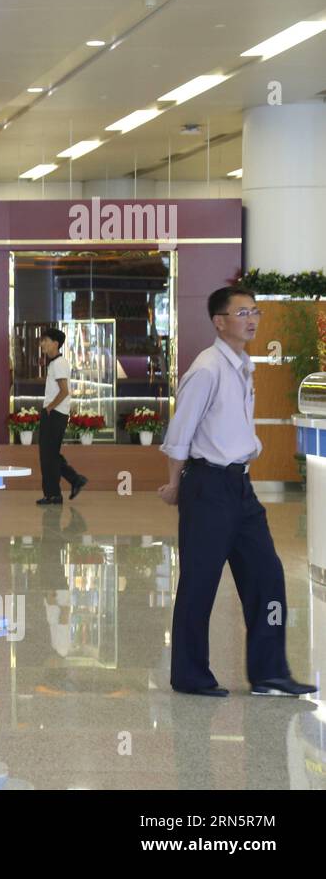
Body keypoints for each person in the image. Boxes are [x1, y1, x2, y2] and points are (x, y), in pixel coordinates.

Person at [158, 285, 316, 698]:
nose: (252, 319)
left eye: (255, 312)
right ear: (219, 321)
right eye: (242, 312)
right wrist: (175, 483)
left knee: (267, 574)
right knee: (200, 581)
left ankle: (270, 674)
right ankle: (190, 676)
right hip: (207, 485)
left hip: (239, 487)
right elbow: (180, 433)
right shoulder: (207, 368)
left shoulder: (243, 365)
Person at [35, 327, 89, 505]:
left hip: (55, 413)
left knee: (48, 455)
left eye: (46, 340)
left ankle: (56, 492)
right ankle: (63, 487)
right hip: (55, 413)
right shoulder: (55, 363)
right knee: (50, 455)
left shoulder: (58, 363)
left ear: (55, 344)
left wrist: (49, 408)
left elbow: (64, 391)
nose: (42, 343)